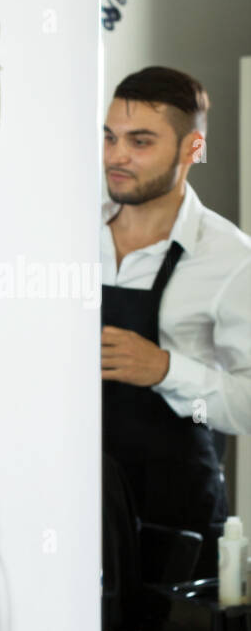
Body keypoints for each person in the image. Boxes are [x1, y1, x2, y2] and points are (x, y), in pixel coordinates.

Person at [101, 66, 251, 580]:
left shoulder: (231, 259)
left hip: (179, 520)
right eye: (110, 137)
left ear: (192, 149)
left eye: (139, 141)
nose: (117, 156)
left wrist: (166, 369)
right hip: (86, 509)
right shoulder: (70, 231)